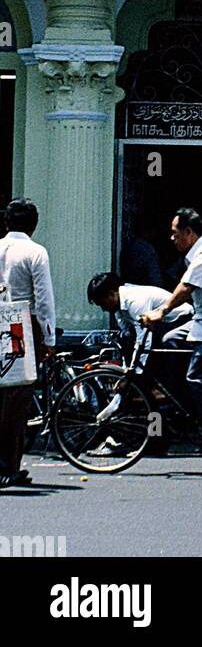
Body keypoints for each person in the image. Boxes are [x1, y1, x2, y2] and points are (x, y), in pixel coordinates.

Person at [141, 208, 202, 451]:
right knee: (171, 340)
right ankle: (181, 403)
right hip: (201, 319)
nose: (172, 239)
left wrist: (162, 311)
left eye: (175, 233)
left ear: (188, 232)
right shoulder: (195, 253)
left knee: (198, 379)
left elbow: (187, 286)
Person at [0, 199, 55, 489]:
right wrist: (49, 338)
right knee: (17, 400)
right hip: (21, 326)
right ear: (33, 224)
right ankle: (8, 464)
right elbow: (43, 298)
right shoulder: (35, 252)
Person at [86, 272, 192, 370]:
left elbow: (145, 340)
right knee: (127, 338)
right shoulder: (118, 306)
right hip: (161, 323)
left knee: (157, 349)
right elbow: (127, 333)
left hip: (180, 319)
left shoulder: (134, 300)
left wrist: (137, 372)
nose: (104, 309)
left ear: (111, 294)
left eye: (103, 304)